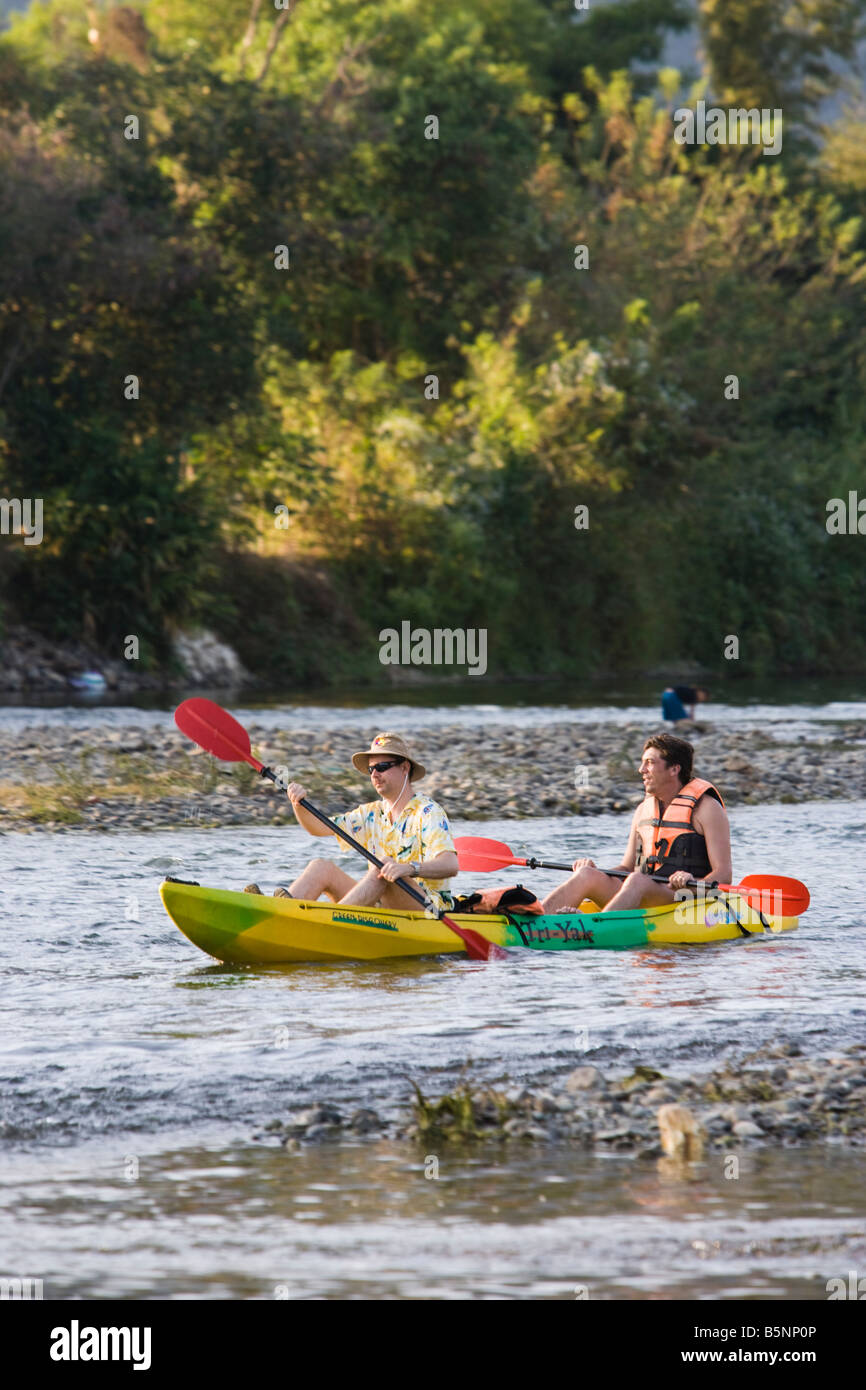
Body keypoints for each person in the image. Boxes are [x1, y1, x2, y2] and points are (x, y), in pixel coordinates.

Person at [246, 733, 458, 909]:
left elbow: (450, 865)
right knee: (321, 867)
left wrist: (408, 869)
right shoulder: (370, 813)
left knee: (383, 867)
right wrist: (297, 804)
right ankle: (279, 913)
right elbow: (317, 828)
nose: (374, 774)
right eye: (371, 769)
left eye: (382, 766)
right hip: (385, 904)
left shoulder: (428, 812)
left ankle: (329, 923)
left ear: (405, 768)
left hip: (430, 911)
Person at [540, 734, 731, 915]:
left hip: (683, 896)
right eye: (642, 763)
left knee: (638, 880)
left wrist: (690, 881)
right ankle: (535, 920)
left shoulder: (707, 809)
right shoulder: (643, 810)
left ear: (674, 769)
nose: (641, 770)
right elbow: (626, 867)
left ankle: (596, 929)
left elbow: (724, 876)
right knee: (587, 874)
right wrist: (597, 871)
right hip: (641, 890)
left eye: (650, 763)